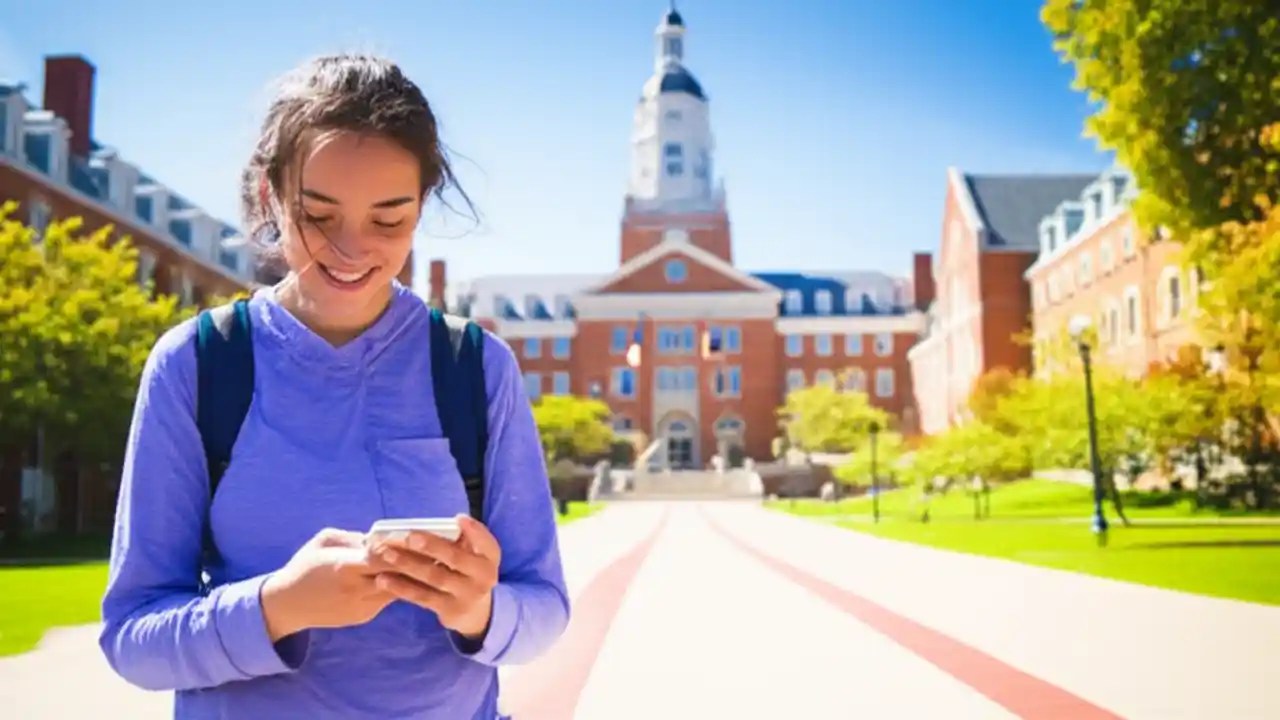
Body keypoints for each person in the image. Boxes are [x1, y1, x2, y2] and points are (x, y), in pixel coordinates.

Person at [98, 53, 570, 719]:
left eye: (389, 219)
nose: (351, 251)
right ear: (270, 194)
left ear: (422, 205)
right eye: (319, 214)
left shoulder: (475, 367)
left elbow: (545, 607)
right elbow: (132, 638)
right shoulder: (197, 366)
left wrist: (481, 610)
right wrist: (278, 607)